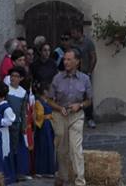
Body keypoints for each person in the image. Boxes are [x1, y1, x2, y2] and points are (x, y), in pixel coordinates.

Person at [48, 49, 90, 185]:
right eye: (64, 59)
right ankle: (62, 176)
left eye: (69, 59)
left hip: (76, 115)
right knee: (61, 149)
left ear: (77, 61)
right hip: (60, 115)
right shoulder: (57, 78)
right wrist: (59, 108)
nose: (65, 62)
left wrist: (80, 105)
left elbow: (89, 100)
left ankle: (80, 181)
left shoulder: (85, 79)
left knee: (75, 148)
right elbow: (49, 99)